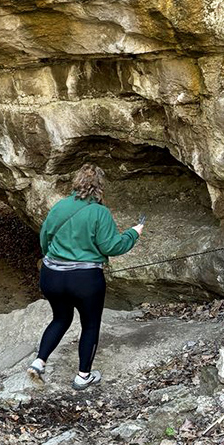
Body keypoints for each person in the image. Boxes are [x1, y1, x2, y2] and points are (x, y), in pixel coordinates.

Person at [28, 164, 144, 391]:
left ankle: (39, 362)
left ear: (76, 183)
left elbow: (44, 238)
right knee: (90, 325)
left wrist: (53, 258)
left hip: (52, 275)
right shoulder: (100, 213)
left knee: (60, 318)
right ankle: (83, 376)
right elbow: (112, 246)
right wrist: (133, 233)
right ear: (100, 188)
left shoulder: (60, 207)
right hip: (85, 280)